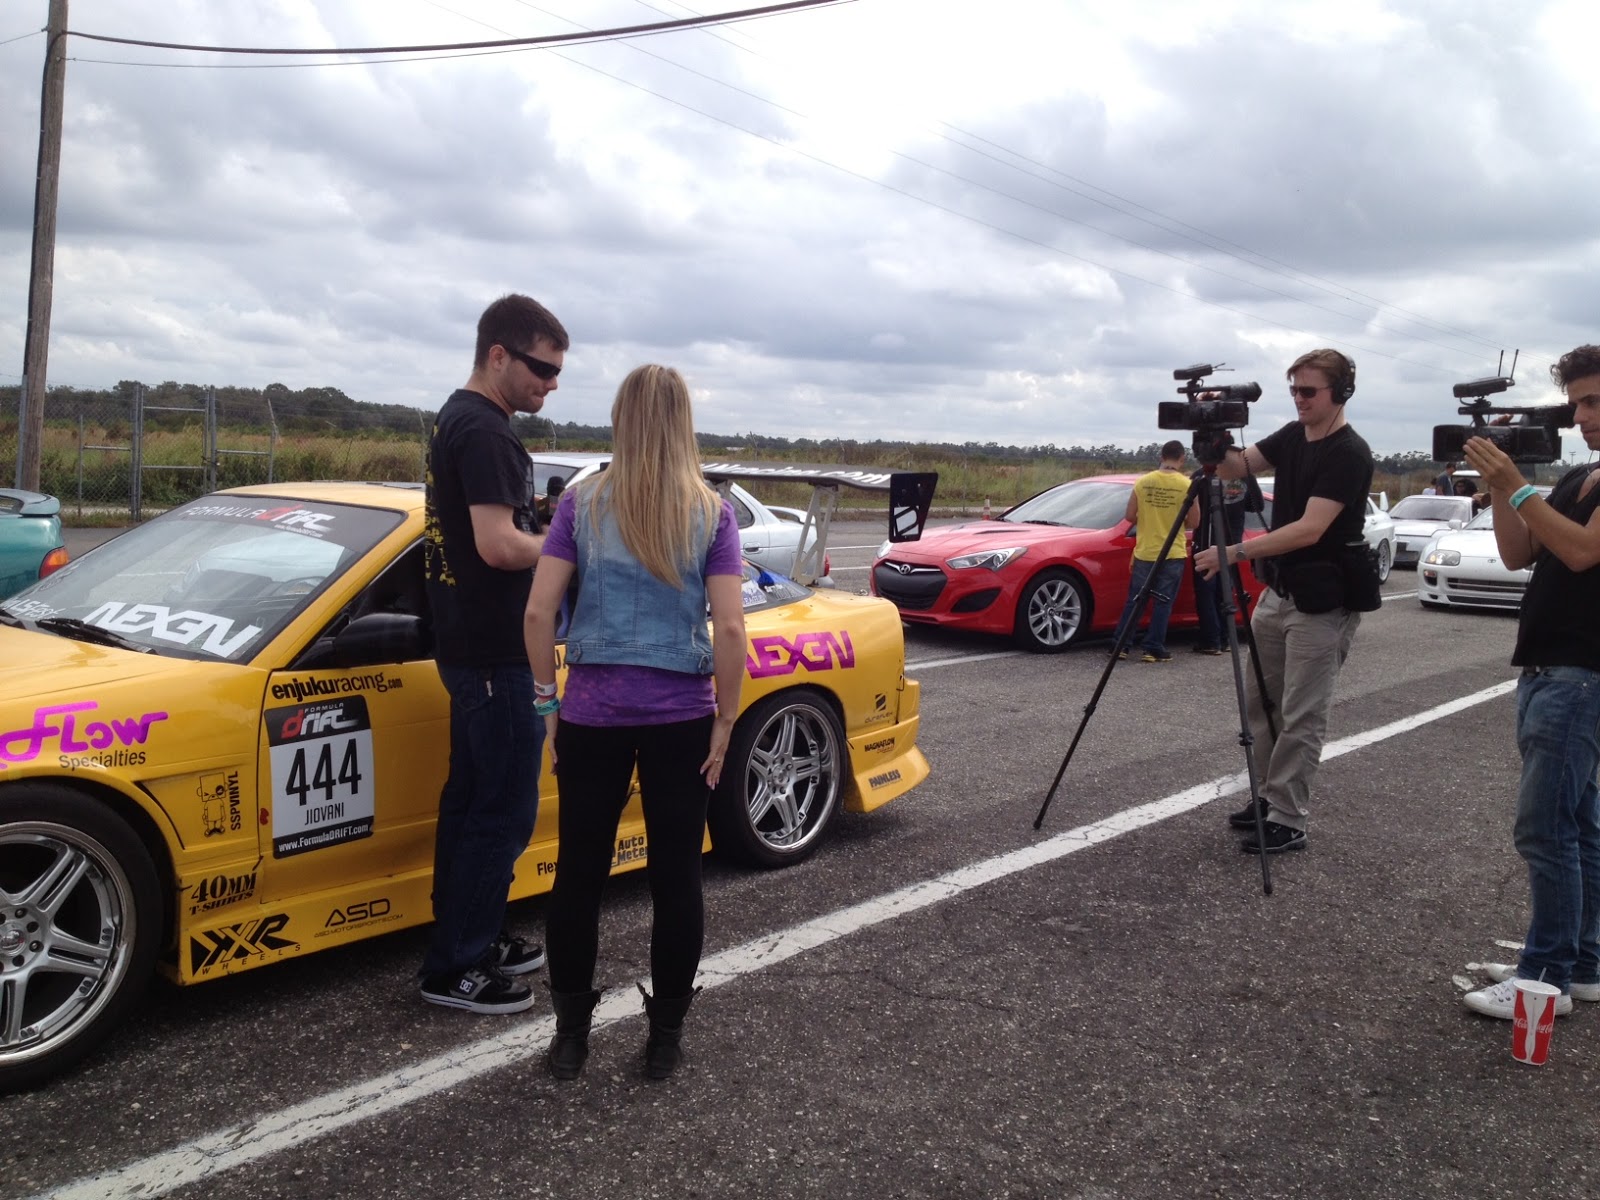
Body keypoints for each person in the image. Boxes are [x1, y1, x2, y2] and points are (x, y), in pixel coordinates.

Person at [525, 364, 746, 1081]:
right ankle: (664, 1041)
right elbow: (733, 630)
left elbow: (536, 614)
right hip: (681, 717)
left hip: (591, 716)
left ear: (621, 419)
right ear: (684, 423)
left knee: (578, 876)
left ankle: (569, 1040)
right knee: (677, 877)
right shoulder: (713, 513)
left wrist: (547, 706)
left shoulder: (580, 503)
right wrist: (726, 718)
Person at [418, 293, 569, 1014]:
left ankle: (466, 934)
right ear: (499, 355)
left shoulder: (458, 416)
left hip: (468, 647)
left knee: (470, 800)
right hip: (494, 653)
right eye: (542, 367)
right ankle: (458, 964)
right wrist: (569, 547)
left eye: (558, 370)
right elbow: (500, 546)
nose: (551, 382)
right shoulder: (488, 433)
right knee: (503, 808)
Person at [1459, 344, 1600, 1020]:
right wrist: (1499, 489)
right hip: (1550, 671)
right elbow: (1521, 554)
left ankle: (1544, 975)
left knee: (1544, 830)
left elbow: (1580, 553)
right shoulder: (1580, 479)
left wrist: (1515, 481)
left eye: (1595, 400)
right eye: (1577, 402)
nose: (1582, 416)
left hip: (1582, 676)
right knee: (1579, 827)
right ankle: (1581, 964)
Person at [1193, 349, 1374, 854]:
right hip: (1279, 592)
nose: (1299, 399)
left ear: (1340, 393)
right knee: (1261, 705)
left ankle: (1289, 818)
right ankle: (1266, 797)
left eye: (1309, 391)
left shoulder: (1348, 452)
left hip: (1324, 599)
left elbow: (1310, 529)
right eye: (1294, 390)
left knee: (1302, 713)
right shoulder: (1294, 435)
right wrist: (1213, 433)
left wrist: (1234, 551)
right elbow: (1238, 468)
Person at [1111, 440, 1197, 663]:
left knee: (1136, 599)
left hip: (1145, 551)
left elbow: (1130, 516)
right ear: (1182, 459)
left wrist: (1150, 517)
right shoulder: (1187, 484)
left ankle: (1121, 645)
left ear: (1161, 456)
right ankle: (1153, 647)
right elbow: (1195, 521)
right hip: (1173, 552)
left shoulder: (1143, 482)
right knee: (1163, 602)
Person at [1190, 470, 1262, 655]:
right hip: (1232, 543)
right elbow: (1257, 505)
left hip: (1207, 541)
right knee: (1225, 592)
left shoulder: (1202, 476)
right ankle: (1226, 638)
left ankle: (1211, 641)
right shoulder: (1244, 476)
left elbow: (1190, 508)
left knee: (1206, 593)